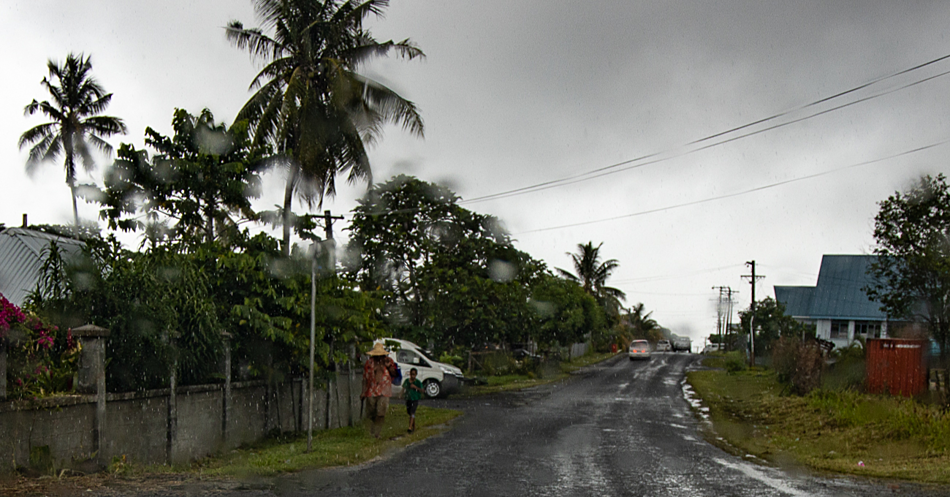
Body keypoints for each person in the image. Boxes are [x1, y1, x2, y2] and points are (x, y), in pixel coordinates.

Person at [361, 342, 397, 438]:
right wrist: (363, 392)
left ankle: (377, 433)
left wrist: (389, 366)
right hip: (371, 390)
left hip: (384, 390)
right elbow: (365, 378)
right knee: (372, 412)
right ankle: (373, 430)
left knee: (381, 413)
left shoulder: (389, 361)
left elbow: (394, 374)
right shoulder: (369, 363)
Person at [402, 368, 424, 433]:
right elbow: (403, 388)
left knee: (412, 412)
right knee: (409, 412)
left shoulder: (418, 382)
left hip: (415, 399)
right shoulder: (407, 381)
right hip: (408, 398)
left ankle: (410, 427)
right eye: (411, 374)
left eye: (414, 374)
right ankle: (413, 426)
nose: (412, 376)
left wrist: (415, 387)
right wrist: (401, 394)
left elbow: (422, 390)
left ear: (416, 375)